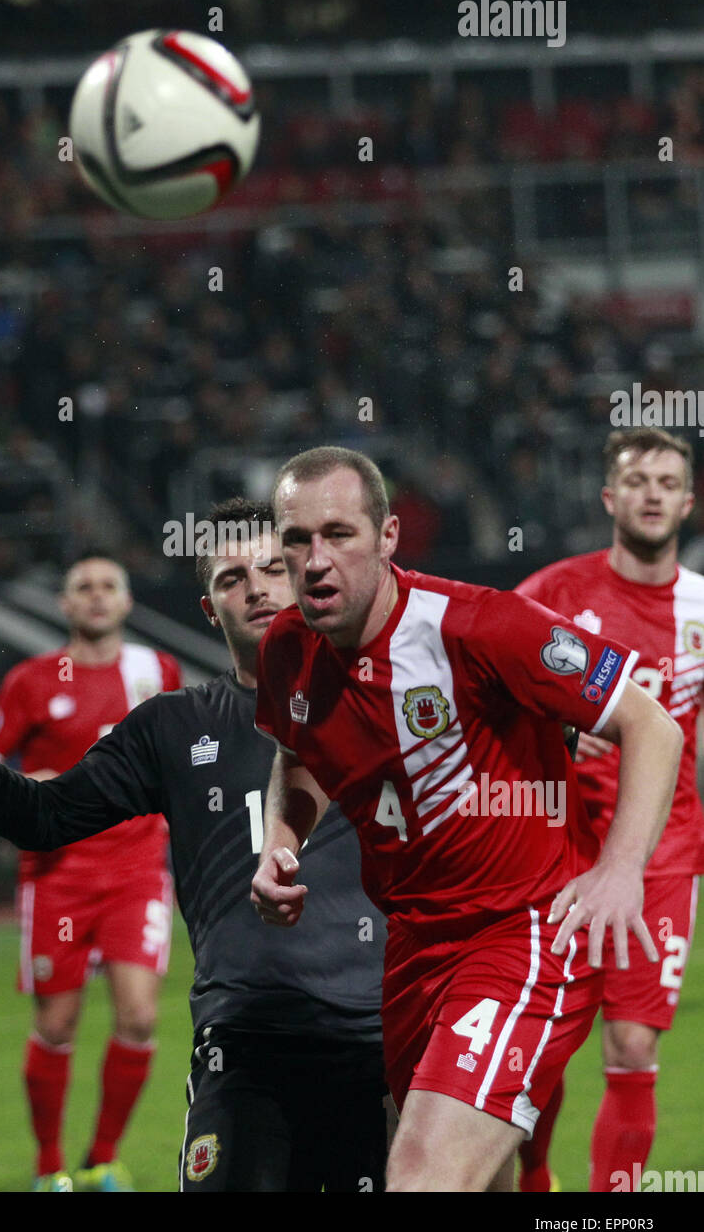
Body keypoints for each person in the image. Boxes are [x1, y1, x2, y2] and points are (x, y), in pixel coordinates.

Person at [0, 498, 389, 1192]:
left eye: (274, 568)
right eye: (232, 578)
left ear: (309, 579)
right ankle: (59, 1164)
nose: (257, 587)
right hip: (245, 1051)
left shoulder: (389, 697)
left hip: (385, 1040)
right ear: (210, 609)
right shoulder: (171, 727)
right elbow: (45, 818)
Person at [248, 445, 682, 1193]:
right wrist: (280, 841)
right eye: (296, 540)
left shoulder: (482, 628)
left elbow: (652, 725)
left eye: (339, 534)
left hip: (526, 932)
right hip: (415, 947)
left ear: (387, 537)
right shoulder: (288, 649)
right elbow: (303, 752)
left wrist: (619, 867)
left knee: (420, 1176)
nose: (316, 560)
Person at [514, 429, 704, 1193]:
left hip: (661, 857)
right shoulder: (550, 596)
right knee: (541, 1051)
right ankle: (532, 1183)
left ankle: (605, 1229)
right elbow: (484, 702)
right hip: (558, 855)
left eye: (667, 482)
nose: (652, 493)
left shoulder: (701, 609)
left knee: (630, 1047)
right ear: (609, 499)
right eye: (637, 480)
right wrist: (558, 731)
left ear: (687, 503)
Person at [0, 555, 182, 1192]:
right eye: (82, 587)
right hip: (58, 872)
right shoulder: (31, 681)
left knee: (140, 1017)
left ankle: (100, 1160)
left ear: (126, 602)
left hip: (137, 868)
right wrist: (23, 786)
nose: (96, 597)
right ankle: (48, 1169)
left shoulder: (158, 672)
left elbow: (180, 755)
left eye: (108, 587)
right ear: (65, 605)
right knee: (58, 1024)